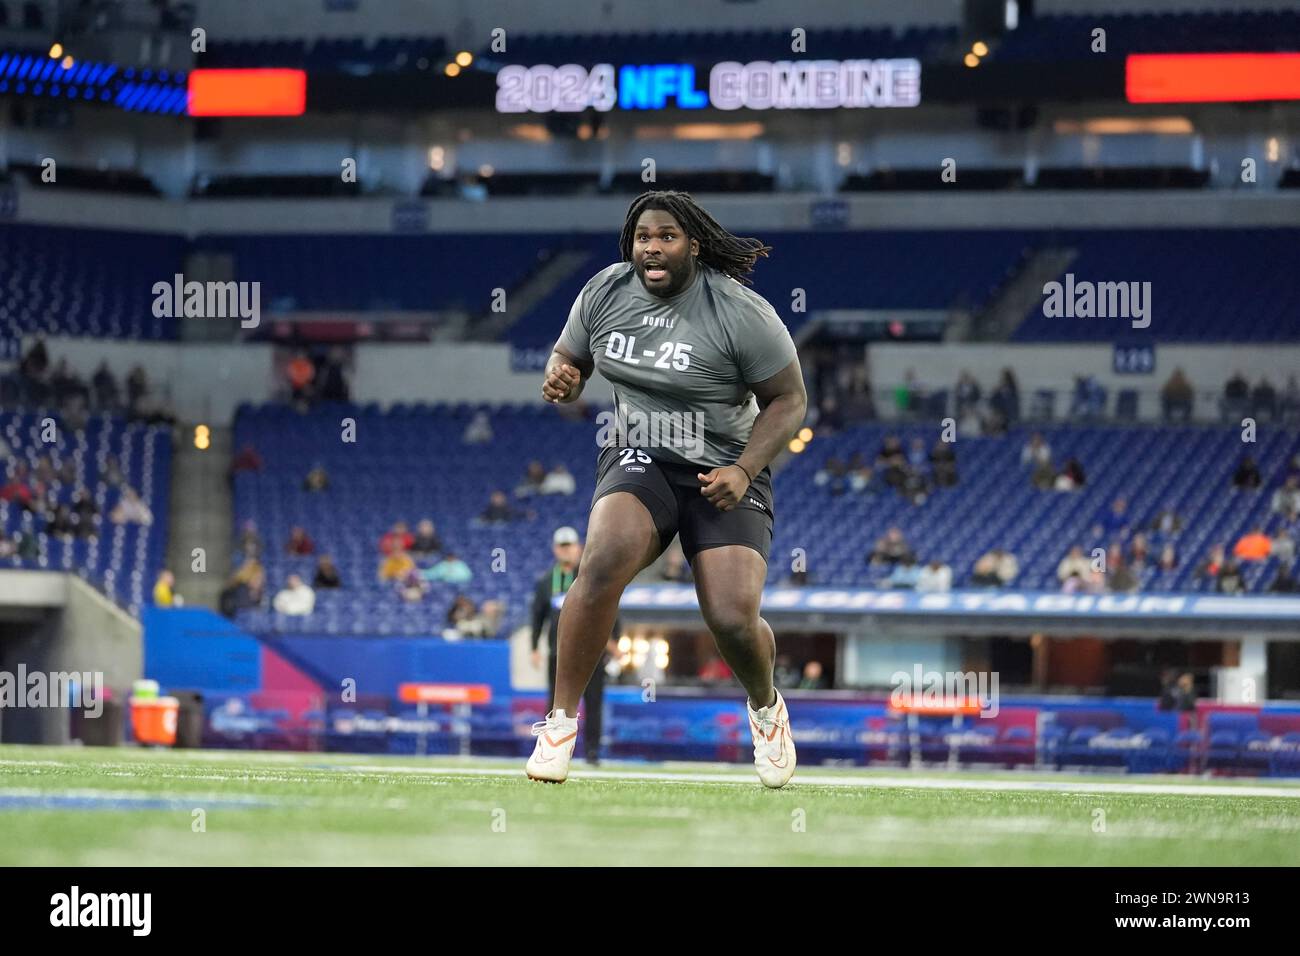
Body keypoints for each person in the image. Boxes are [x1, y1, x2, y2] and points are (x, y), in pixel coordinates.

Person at [527, 190, 806, 788]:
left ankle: (765, 708)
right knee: (599, 562)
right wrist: (564, 378)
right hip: (642, 453)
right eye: (642, 237)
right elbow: (569, 359)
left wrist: (746, 468)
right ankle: (558, 723)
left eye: (666, 237)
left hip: (726, 466)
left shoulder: (739, 310)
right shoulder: (604, 291)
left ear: (693, 246)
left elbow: (790, 400)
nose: (651, 247)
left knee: (732, 617)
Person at [530, 527, 621, 765]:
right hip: (558, 653)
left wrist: (614, 641)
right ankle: (548, 749)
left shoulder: (593, 576)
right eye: (562, 546)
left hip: (593, 651)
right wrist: (534, 647)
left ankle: (592, 753)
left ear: (578, 547)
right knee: (555, 702)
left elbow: (612, 609)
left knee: (594, 703)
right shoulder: (546, 581)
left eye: (569, 545)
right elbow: (537, 615)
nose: (566, 550)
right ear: (555, 549)